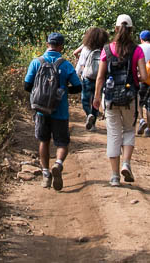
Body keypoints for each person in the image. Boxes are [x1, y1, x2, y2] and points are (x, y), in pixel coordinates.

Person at [24, 31, 84, 190]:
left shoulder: (36, 62)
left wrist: (41, 94)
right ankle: (58, 163)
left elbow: (27, 86)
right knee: (62, 142)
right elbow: (78, 87)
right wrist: (62, 92)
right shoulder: (65, 64)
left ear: (47, 45)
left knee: (44, 141)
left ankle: (45, 173)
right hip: (60, 110)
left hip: (41, 110)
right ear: (61, 47)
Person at [92, 15, 146, 187]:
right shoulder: (137, 50)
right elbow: (144, 76)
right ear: (131, 30)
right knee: (129, 130)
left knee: (113, 134)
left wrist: (96, 97)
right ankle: (126, 163)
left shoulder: (107, 49)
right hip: (130, 97)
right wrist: (135, 77)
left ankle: (115, 176)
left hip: (110, 97)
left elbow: (100, 77)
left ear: (115, 29)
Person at [73, 26, 108, 131]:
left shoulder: (86, 48)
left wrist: (75, 75)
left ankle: (89, 115)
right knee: (96, 100)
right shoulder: (105, 49)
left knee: (85, 100)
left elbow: (80, 64)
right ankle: (93, 124)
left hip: (87, 78)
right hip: (101, 78)